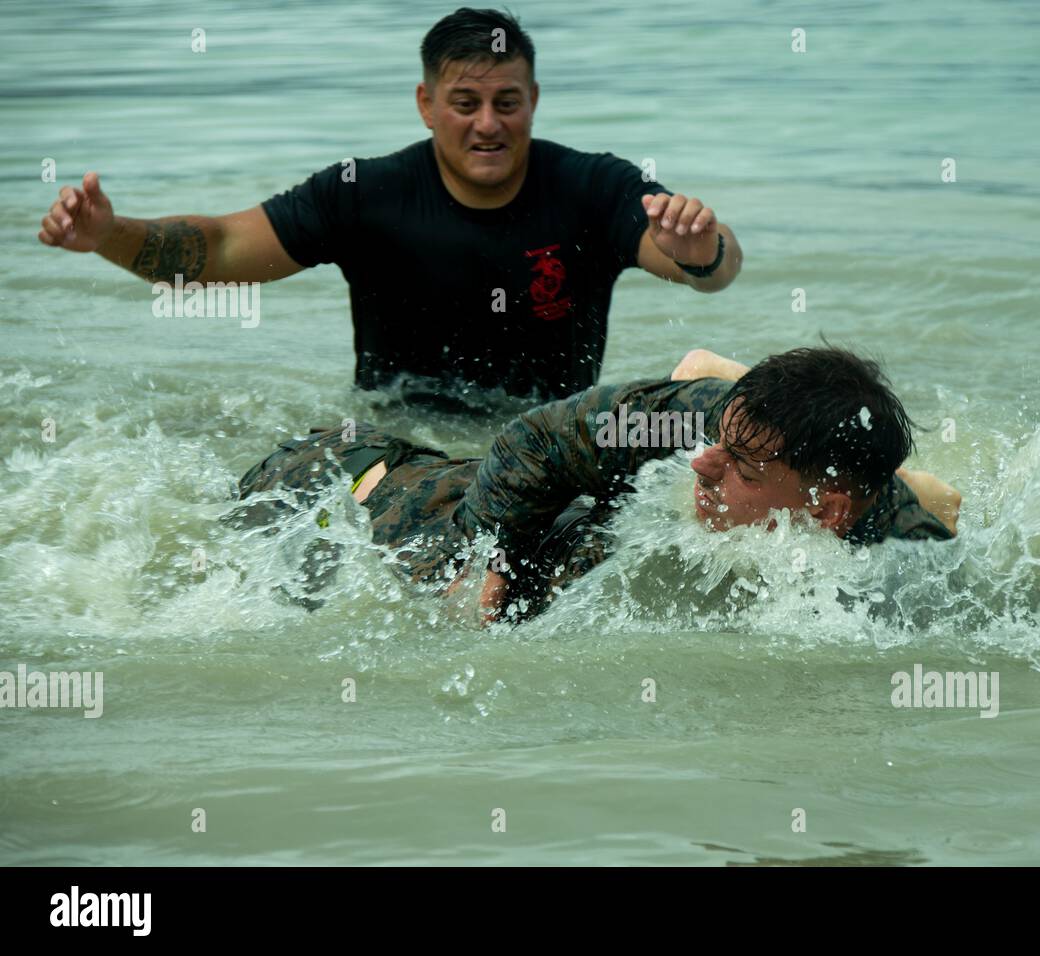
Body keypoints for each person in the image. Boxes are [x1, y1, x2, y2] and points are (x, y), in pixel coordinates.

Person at [37, 8, 742, 404]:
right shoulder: (361, 192)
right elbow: (218, 250)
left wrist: (701, 251)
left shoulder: (593, 186)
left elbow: (708, 267)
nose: (488, 125)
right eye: (465, 104)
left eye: (507, 102)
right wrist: (107, 234)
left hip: (542, 434)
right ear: (426, 104)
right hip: (396, 433)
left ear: (534, 101)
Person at [226, 345, 961, 621]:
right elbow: (538, 436)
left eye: (741, 469)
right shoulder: (702, 422)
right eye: (718, 444)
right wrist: (490, 556)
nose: (705, 463)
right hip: (335, 484)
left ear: (829, 509)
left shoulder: (900, 551)